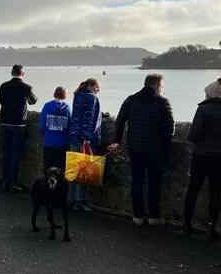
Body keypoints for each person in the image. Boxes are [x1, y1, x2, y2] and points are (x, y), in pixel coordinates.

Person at [115, 73, 174, 226]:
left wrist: (116, 141)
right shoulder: (162, 102)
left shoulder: (130, 100)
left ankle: (138, 216)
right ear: (157, 85)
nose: (162, 89)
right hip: (155, 149)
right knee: (154, 183)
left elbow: (120, 122)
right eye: (161, 86)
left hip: (135, 147)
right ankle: (154, 217)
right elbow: (170, 127)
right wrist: (165, 145)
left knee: (137, 181)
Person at [182, 77, 221, 239]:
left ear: (209, 94)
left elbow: (193, 134)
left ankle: (187, 223)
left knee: (193, 189)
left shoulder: (203, 109)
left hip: (202, 154)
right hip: (220, 155)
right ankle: (211, 227)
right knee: (215, 192)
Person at [68, 78, 108, 212]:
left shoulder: (78, 95)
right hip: (83, 139)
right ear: (91, 86)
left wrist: (101, 114)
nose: (99, 89)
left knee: (74, 170)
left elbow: (81, 113)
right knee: (83, 170)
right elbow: (89, 118)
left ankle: (71, 199)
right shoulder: (91, 97)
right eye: (97, 86)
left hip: (74, 136)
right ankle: (80, 201)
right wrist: (86, 137)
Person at [0, 64, 38, 192]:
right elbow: (33, 101)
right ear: (23, 74)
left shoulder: (3, 86)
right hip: (18, 124)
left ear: (12, 73)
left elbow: (1, 102)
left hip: (5, 123)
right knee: (15, 154)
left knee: (5, 153)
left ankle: (5, 181)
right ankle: (13, 183)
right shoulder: (26, 87)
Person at [39, 86, 72, 169]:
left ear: (54, 95)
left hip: (49, 141)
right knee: (60, 169)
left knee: (48, 168)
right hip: (62, 142)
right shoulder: (67, 108)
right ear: (65, 97)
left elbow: (42, 124)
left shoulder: (47, 106)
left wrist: (46, 134)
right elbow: (70, 125)